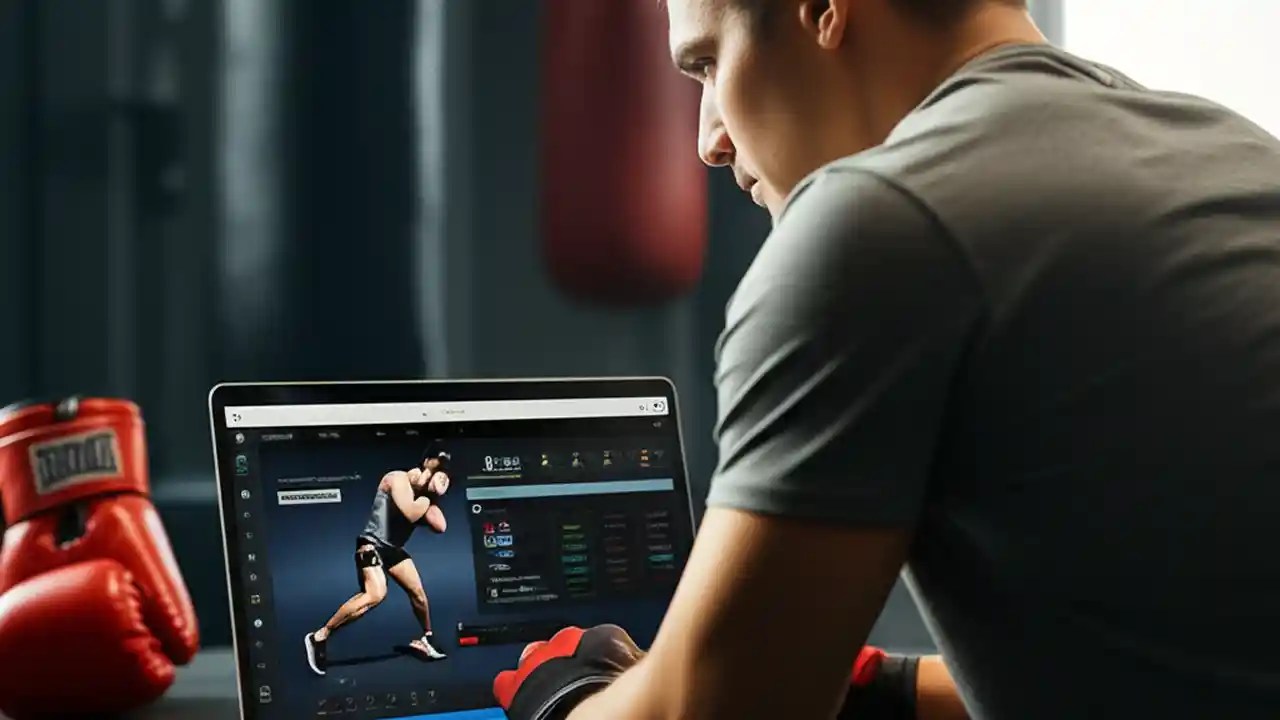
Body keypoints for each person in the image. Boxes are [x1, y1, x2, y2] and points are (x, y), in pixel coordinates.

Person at [492, 0, 1280, 718]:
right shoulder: (1235, 153)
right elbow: (1174, 643)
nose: (708, 140)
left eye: (707, 63)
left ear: (824, 11)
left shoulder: (878, 225)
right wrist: (886, 689)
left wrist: (561, 701)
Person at [305, 449, 452, 675]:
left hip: (392, 549)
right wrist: (426, 497)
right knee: (375, 594)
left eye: (443, 472)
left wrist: (432, 495)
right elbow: (410, 513)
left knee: (419, 594)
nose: (439, 475)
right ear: (425, 463)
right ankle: (319, 636)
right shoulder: (397, 479)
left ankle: (427, 638)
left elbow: (441, 526)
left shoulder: (425, 494)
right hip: (370, 544)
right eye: (436, 467)